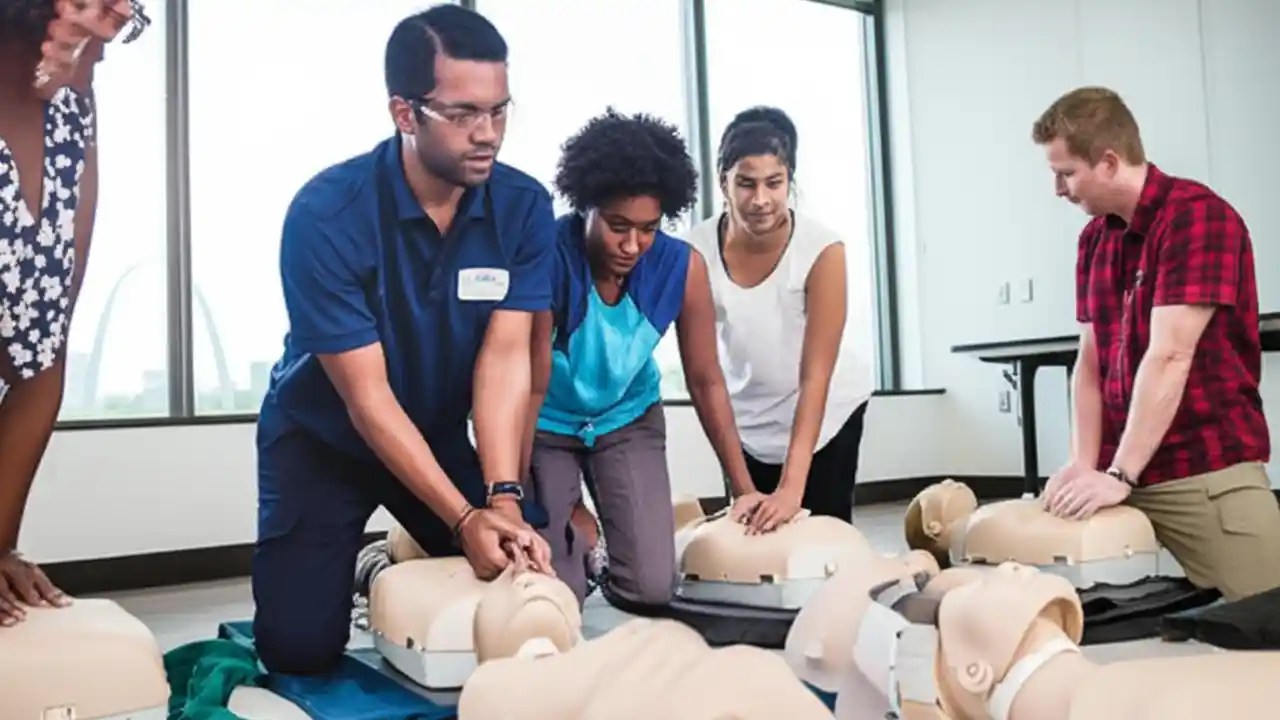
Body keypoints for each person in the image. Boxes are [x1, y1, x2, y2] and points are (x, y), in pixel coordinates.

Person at [252, 4, 556, 675]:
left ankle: (411, 546)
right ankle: (368, 565)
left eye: (499, 110)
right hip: (324, 439)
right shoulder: (325, 215)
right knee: (298, 648)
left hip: (434, 430)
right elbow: (366, 399)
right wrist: (462, 519)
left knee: (530, 584)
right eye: (463, 114)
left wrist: (501, 500)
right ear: (404, 113)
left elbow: (505, 359)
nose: (488, 134)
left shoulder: (524, 207)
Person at [1034, 86, 1280, 601]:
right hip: (1116, 469)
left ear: (1108, 162)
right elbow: (1090, 362)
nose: (1057, 189)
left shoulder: (1198, 217)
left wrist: (1121, 473)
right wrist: (1084, 464)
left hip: (1199, 467)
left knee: (1266, 615)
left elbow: (1171, 355)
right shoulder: (1094, 239)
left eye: (1066, 173)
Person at [527, 109, 755, 607]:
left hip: (626, 418)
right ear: (584, 207)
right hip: (545, 425)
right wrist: (521, 492)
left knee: (651, 589)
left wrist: (743, 489)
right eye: (618, 226)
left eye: (648, 228)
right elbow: (528, 383)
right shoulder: (547, 256)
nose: (632, 245)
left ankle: (596, 553)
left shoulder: (682, 267)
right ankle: (572, 536)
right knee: (554, 593)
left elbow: (705, 379)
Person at [0, 0, 148, 628]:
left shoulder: (71, 108)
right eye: (99, 13)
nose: (112, 38)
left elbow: (42, 349)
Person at [685, 106, 873, 533]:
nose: (761, 200)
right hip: (747, 420)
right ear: (723, 183)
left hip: (826, 417)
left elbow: (816, 376)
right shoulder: (694, 253)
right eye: (745, 183)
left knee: (820, 541)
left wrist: (791, 490)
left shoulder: (823, 250)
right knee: (751, 541)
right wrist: (741, 487)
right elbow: (703, 375)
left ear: (790, 181)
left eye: (774, 183)